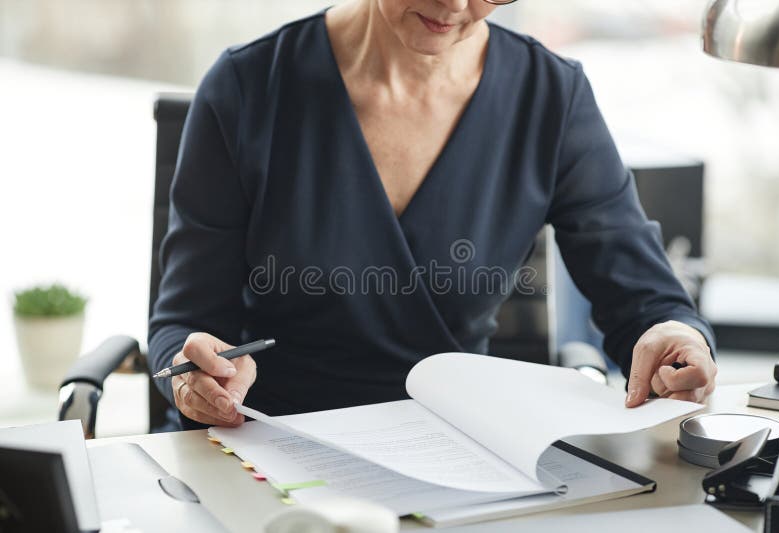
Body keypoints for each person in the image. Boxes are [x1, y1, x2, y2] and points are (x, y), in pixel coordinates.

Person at [148, 0, 717, 429]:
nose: (455, 4)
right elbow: (183, 321)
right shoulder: (247, 87)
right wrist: (194, 376)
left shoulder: (551, 98)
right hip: (270, 441)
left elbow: (644, 301)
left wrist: (676, 338)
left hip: (459, 445)